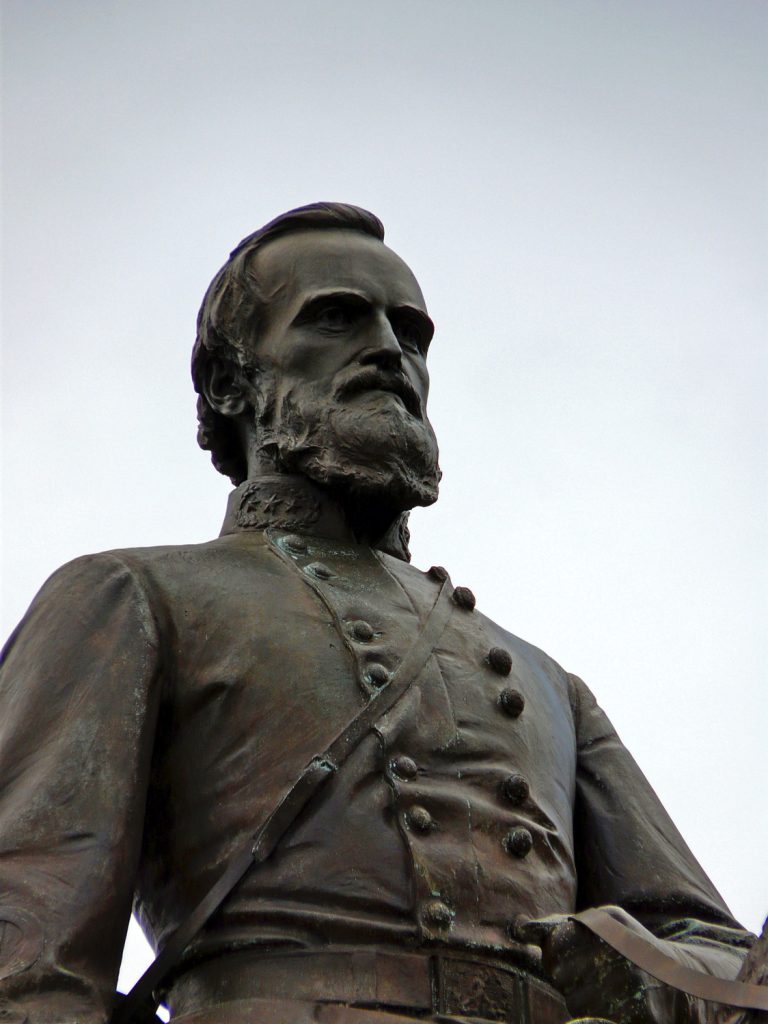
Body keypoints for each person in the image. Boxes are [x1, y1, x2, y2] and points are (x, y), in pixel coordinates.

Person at [0, 203, 754, 1024]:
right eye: (335, 317)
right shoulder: (132, 596)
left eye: (412, 334)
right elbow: (26, 950)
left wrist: (634, 964)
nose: (389, 351)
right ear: (229, 382)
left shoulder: (549, 685)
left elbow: (713, 950)